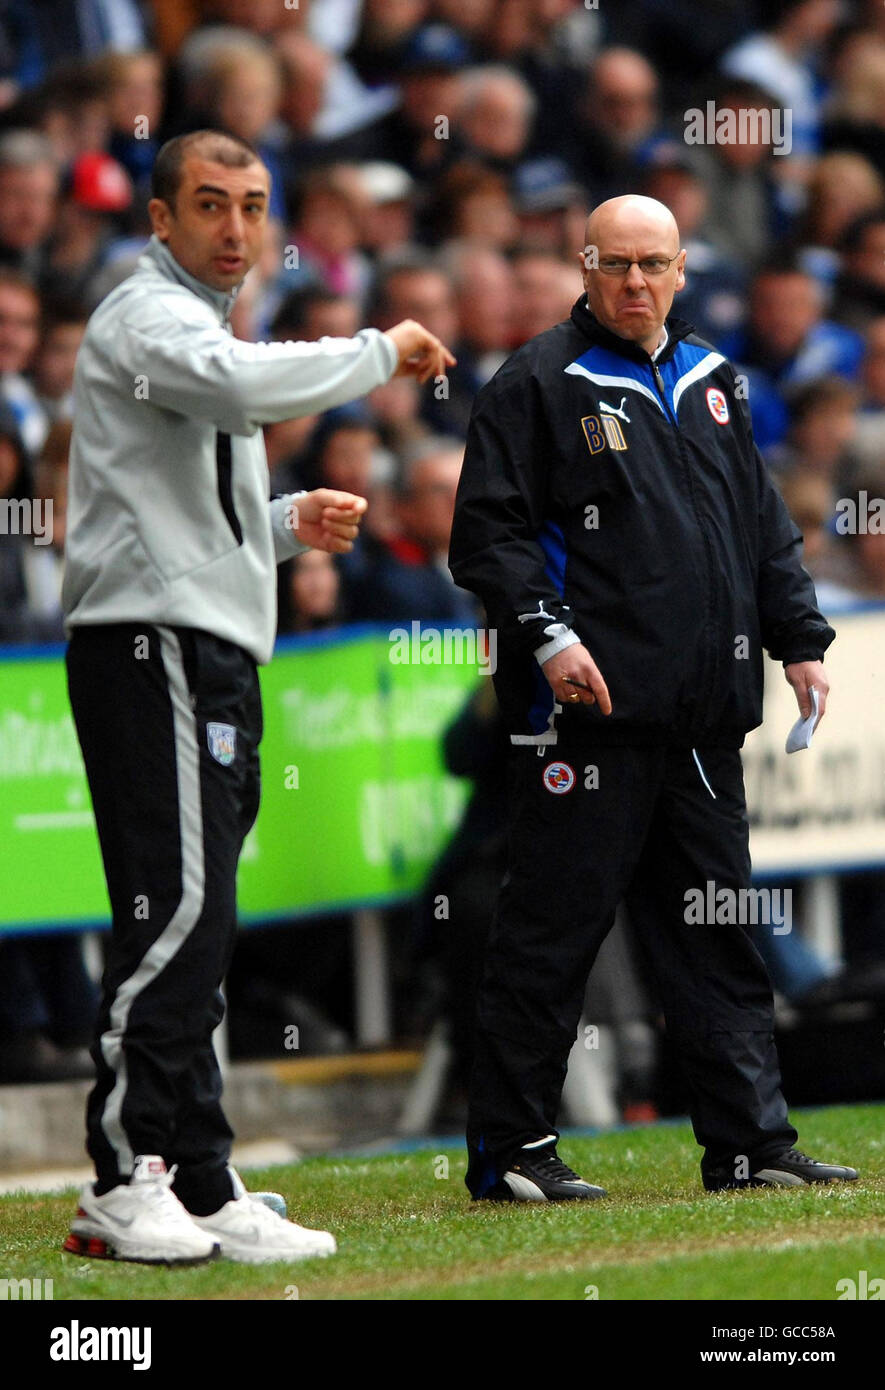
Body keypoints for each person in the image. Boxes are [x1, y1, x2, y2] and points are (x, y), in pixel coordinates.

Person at [61, 128, 454, 1264]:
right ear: (160, 218)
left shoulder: (195, 327)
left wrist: (283, 529)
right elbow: (241, 386)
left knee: (203, 918)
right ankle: (121, 1174)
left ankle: (199, 1171)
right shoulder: (149, 321)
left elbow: (187, 522)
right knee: (175, 912)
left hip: (205, 643)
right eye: (210, 204)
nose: (236, 228)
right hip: (154, 649)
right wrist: (378, 350)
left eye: (253, 205)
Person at [448, 193, 858, 1203]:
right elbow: (487, 537)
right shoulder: (538, 383)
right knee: (553, 934)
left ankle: (748, 1141)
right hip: (585, 716)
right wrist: (549, 638)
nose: (636, 281)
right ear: (585, 266)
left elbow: (761, 524)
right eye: (616, 263)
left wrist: (798, 637)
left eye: (655, 264)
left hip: (702, 715)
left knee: (718, 928)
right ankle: (512, 1153)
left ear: (682, 271)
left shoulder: (718, 381)